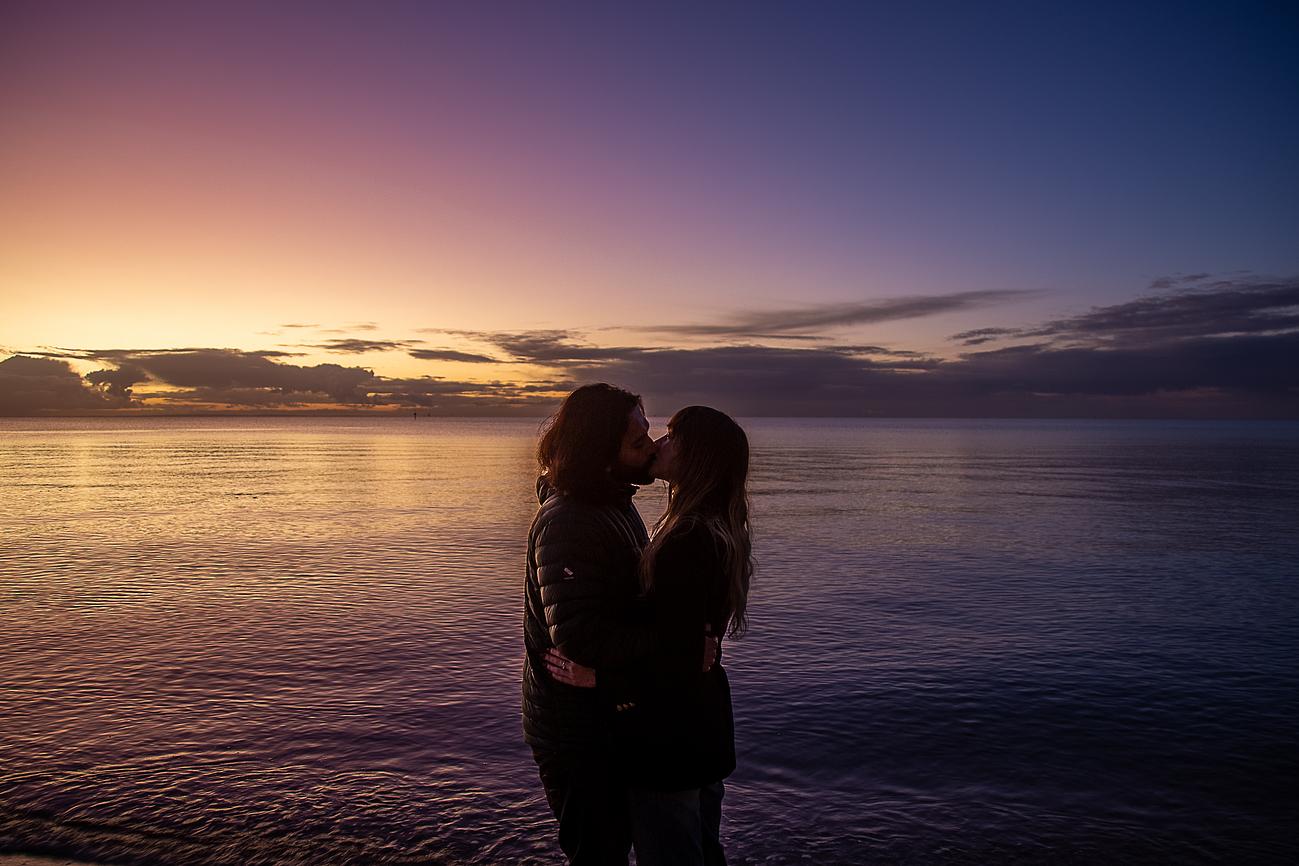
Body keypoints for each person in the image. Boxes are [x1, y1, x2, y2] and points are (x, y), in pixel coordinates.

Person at [547, 406, 753, 866]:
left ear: (696, 457)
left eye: (672, 437)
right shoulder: (717, 530)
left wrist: (597, 678)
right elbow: (688, 648)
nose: (658, 444)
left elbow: (679, 659)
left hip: (669, 744)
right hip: (702, 729)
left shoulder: (687, 541)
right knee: (703, 852)